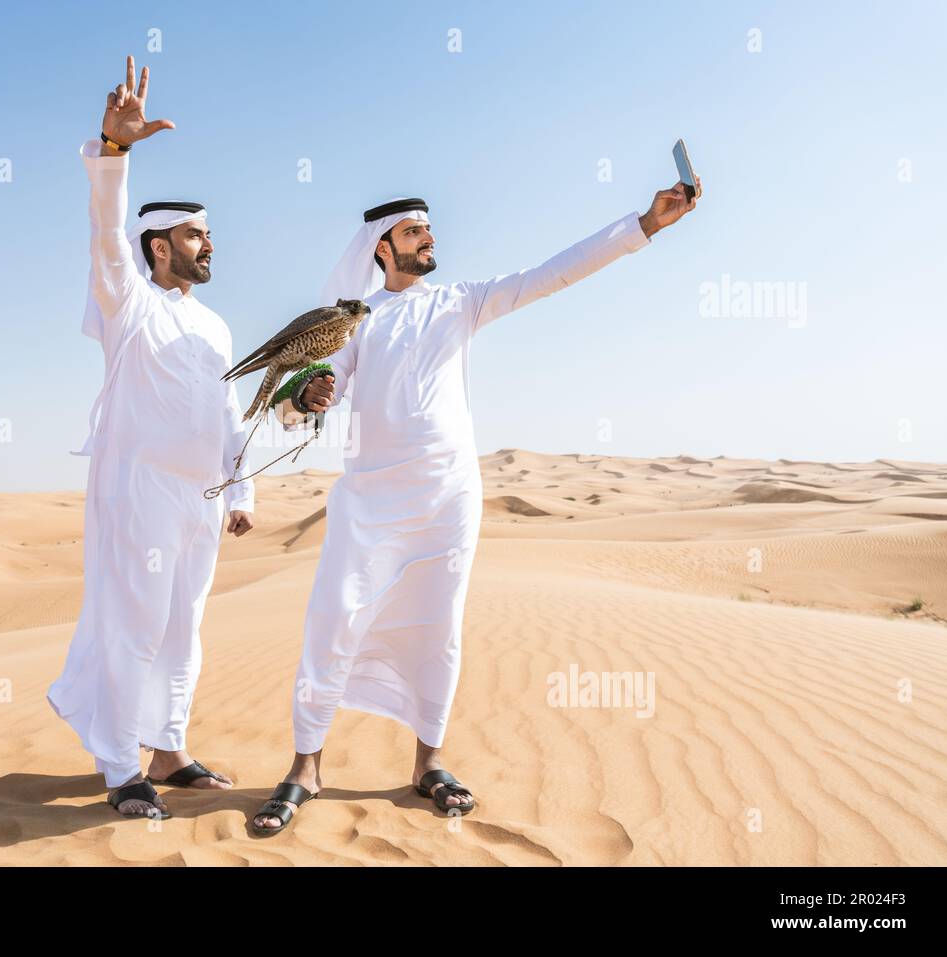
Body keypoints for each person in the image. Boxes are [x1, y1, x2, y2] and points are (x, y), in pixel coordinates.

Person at [252, 181, 700, 834]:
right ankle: (305, 767)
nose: (428, 237)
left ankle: (429, 762)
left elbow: (553, 273)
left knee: (438, 628)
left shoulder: (461, 301)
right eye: (413, 232)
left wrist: (645, 226)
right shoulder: (355, 320)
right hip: (371, 499)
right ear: (382, 248)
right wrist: (305, 399)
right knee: (333, 620)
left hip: (448, 496)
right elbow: (312, 394)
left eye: (428, 229)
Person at [47, 55, 255, 820]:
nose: (209, 245)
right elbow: (106, 235)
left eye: (210, 234)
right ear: (159, 246)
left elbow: (228, 412)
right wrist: (114, 151)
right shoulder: (126, 302)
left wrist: (241, 488)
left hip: (200, 497)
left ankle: (168, 748)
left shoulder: (214, 324)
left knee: (181, 628)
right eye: (196, 235)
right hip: (137, 489)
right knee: (132, 624)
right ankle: (119, 764)